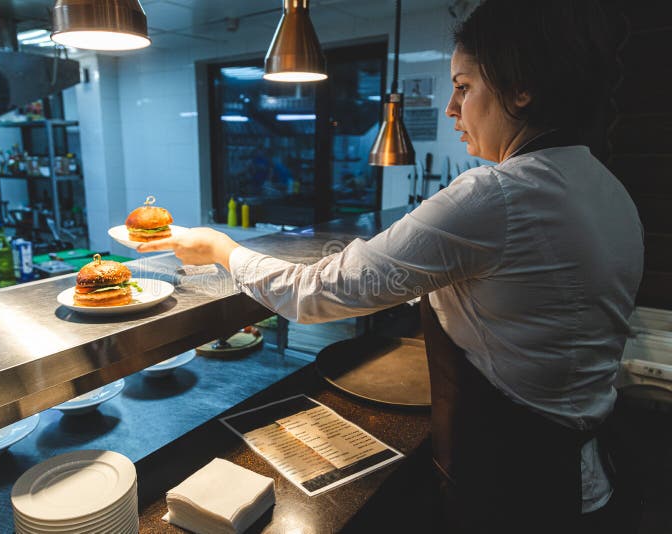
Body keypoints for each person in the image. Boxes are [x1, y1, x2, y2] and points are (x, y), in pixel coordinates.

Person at [138, 1, 643, 532]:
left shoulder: (498, 196)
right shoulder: (605, 187)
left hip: (515, 487)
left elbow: (313, 295)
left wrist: (221, 249)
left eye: (464, 86)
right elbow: (518, 299)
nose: (451, 108)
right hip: (587, 473)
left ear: (522, 89)